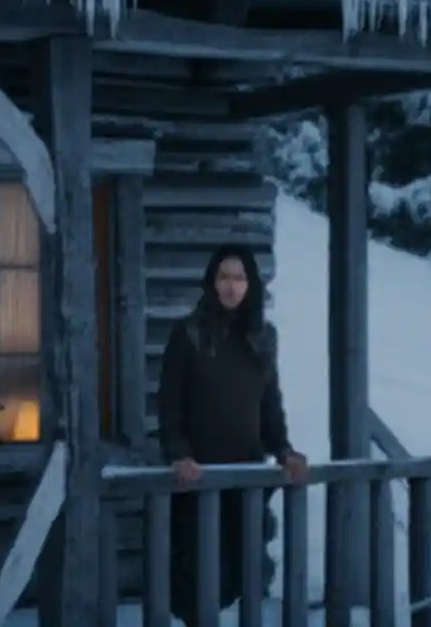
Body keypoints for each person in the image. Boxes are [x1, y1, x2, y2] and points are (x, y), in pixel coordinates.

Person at [157, 243, 308, 626]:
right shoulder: (187, 335)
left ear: (250, 285)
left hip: (247, 481)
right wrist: (180, 454)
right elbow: (170, 408)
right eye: (224, 276)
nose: (231, 286)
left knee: (244, 574)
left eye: (239, 278)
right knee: (200, 580)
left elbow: (269, 407)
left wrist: (285, 451)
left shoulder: (262, 338)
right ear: (211, 282)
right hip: (198, 480)